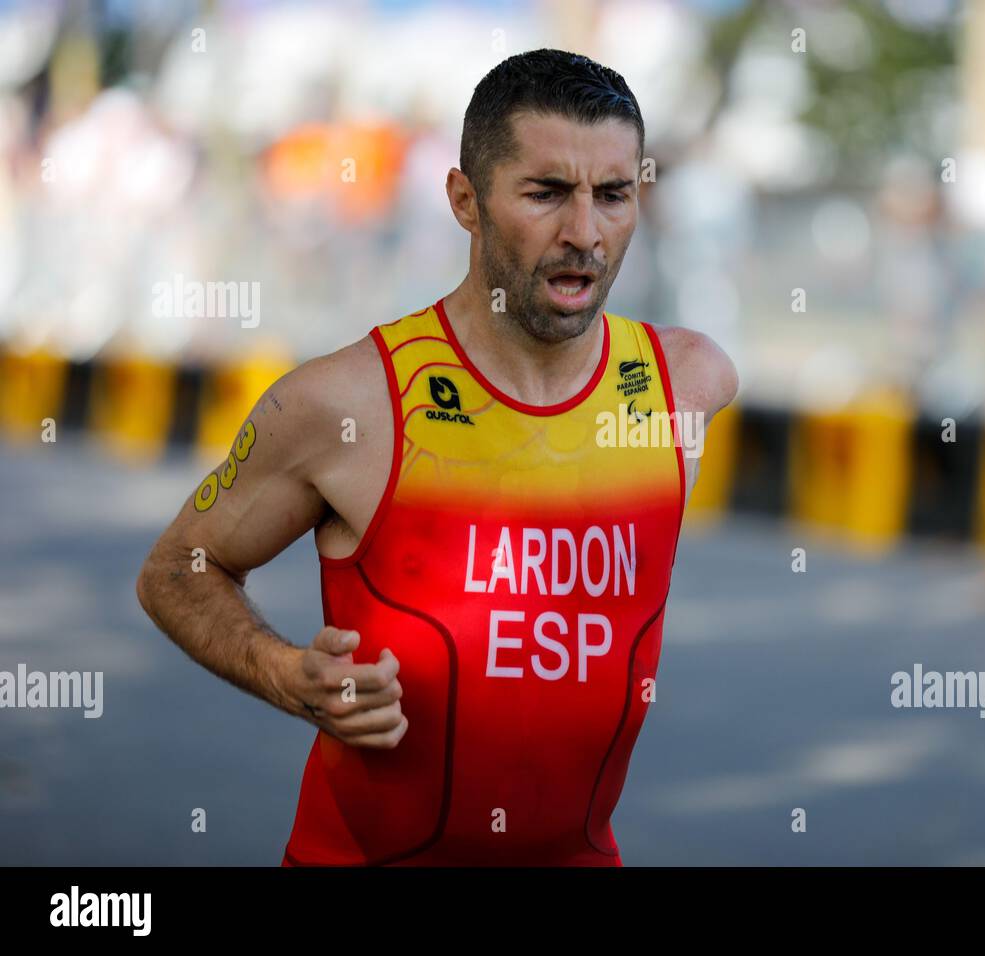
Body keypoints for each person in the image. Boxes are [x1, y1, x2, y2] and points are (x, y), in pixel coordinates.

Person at [136, 48, 738, 866]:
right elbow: (177, 570)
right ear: (465, 200)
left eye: (613, 194)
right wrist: (287, 674)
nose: (585, 233)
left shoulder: (685, 385)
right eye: (546, 193)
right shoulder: (349, 403)